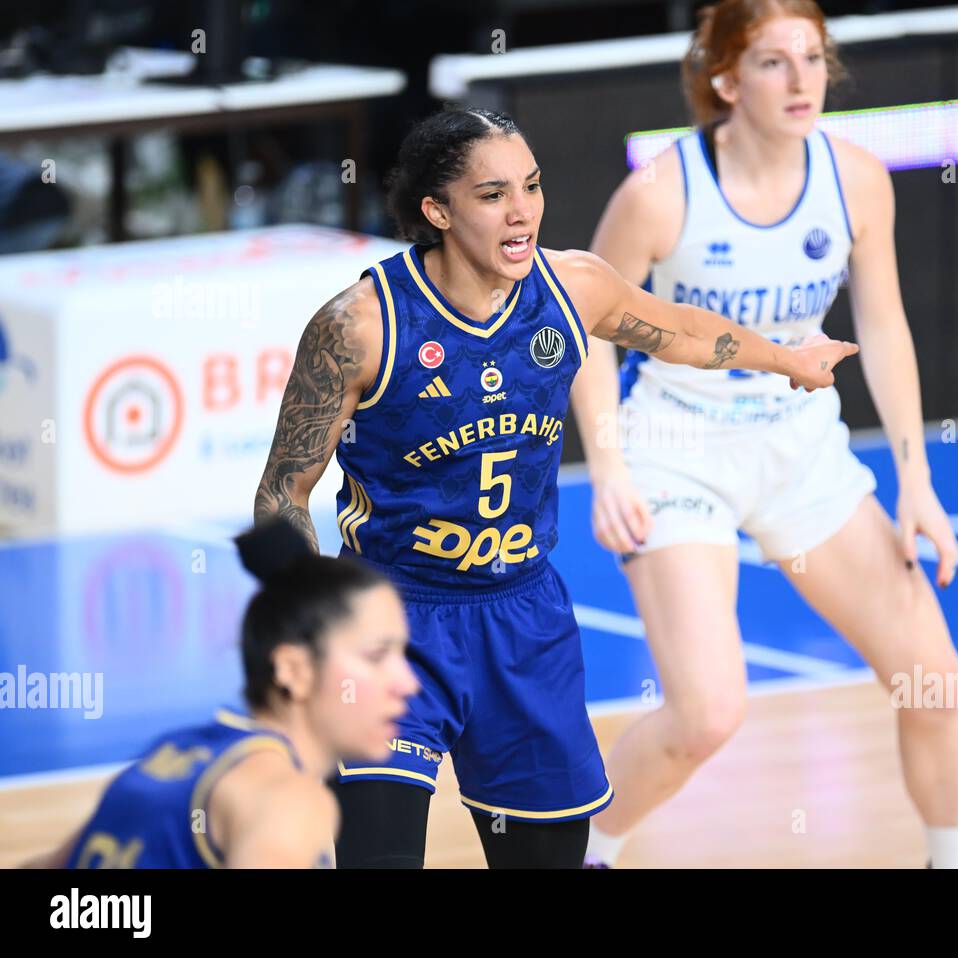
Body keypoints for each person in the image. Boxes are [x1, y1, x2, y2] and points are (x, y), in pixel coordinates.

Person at [251, 106, 858, 869]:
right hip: (393, 622)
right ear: (436, 211)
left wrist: (788, 359)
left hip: (524, 618)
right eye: (493, 194)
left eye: (532, 187)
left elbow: (685, 331)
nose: (523, 211)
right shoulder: (361, 325)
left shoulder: (573, 288)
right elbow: (282, 491)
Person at [569, 0, 958, 868]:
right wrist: (607, 465)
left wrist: (917, 482)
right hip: (676, 452)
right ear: (725, 80)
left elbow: (884, 328)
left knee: (938, 685)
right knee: (707, 715)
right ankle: (585, 858)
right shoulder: (661, 191)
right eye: (772, 62)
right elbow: (584, 324)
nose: (802, 80)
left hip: (801, 452)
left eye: (813, 57)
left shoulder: (859, 178)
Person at [24, 519, 416, 868]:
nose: (407, 682)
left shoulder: (171, 754)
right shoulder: (288, 800)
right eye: (376, 656)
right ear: (294, 669)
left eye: (403, 654)